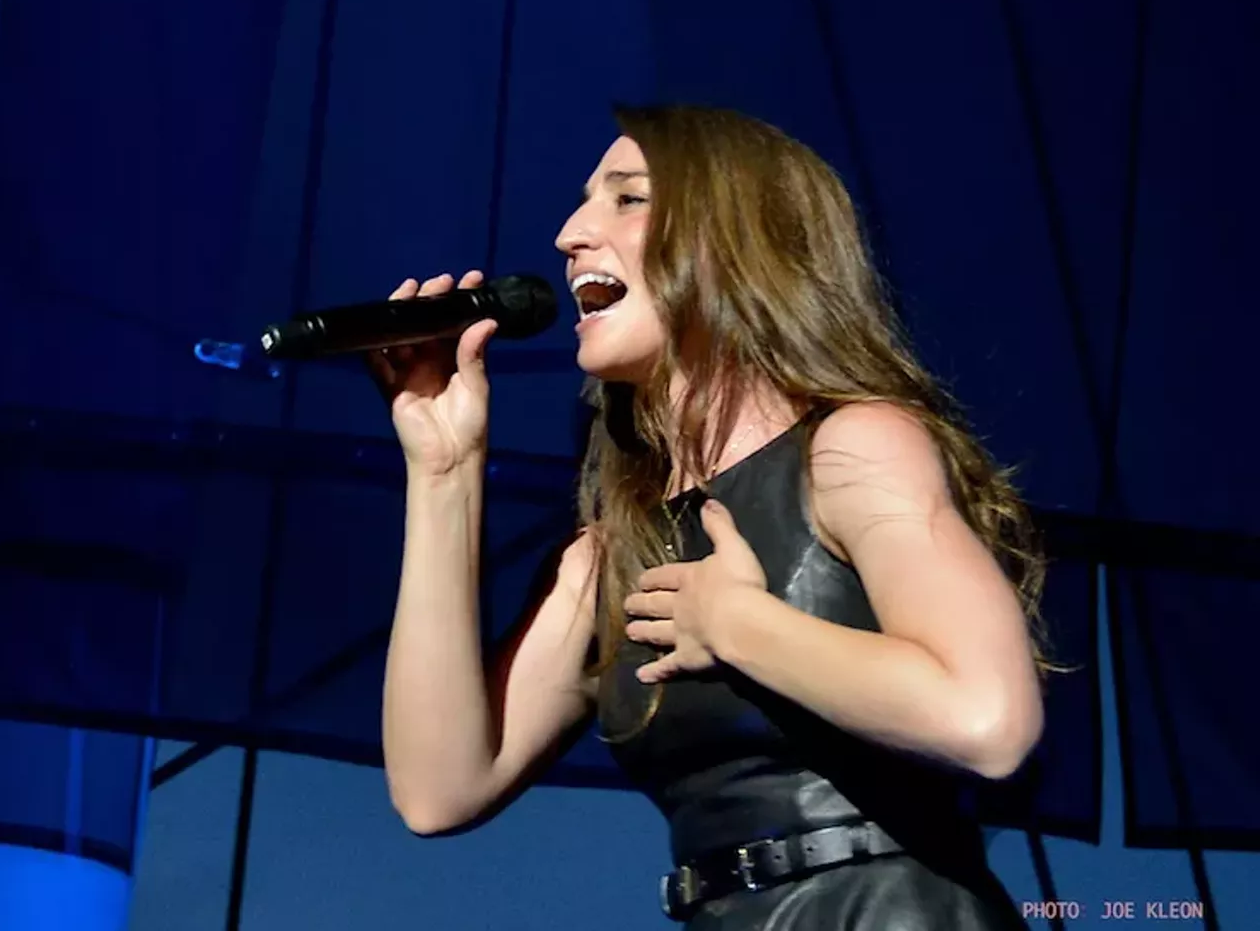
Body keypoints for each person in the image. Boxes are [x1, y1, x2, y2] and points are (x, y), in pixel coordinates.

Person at [371, 105, 1059, 929]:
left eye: (628, 199)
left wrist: (737, 623)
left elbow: (989, 720)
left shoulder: (854, 448)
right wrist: (442, 469)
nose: (569, 234)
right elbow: (439, 789)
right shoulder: (609, 552)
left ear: (735, 240)